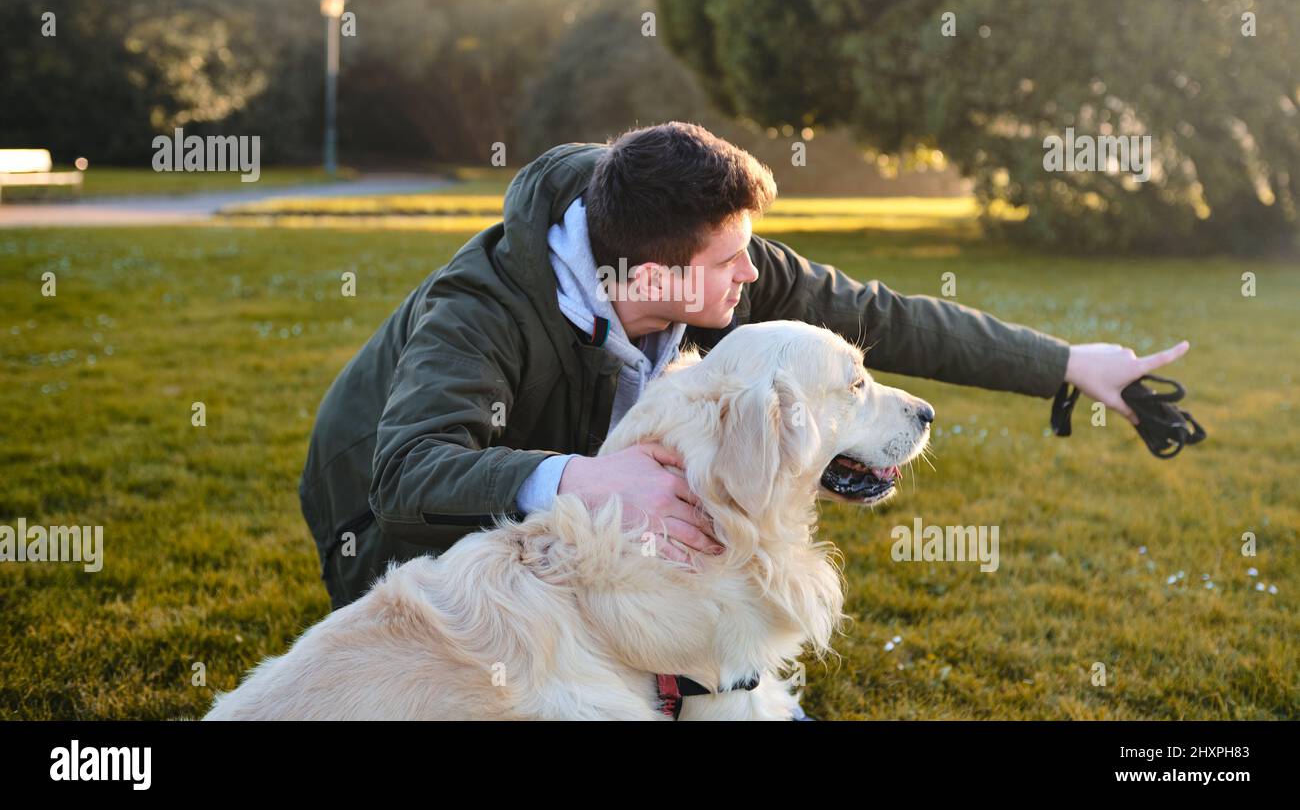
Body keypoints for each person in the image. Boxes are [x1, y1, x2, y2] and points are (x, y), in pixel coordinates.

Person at [297, 121, 1189, 707]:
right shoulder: (480, 311)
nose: (754, 273)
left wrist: (1068, 365)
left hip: (565, 505)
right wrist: (584, 476)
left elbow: (878, 315)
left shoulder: (702, 259)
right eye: (732, 260)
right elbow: (409, 471)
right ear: (650, 281)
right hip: (391, 521)